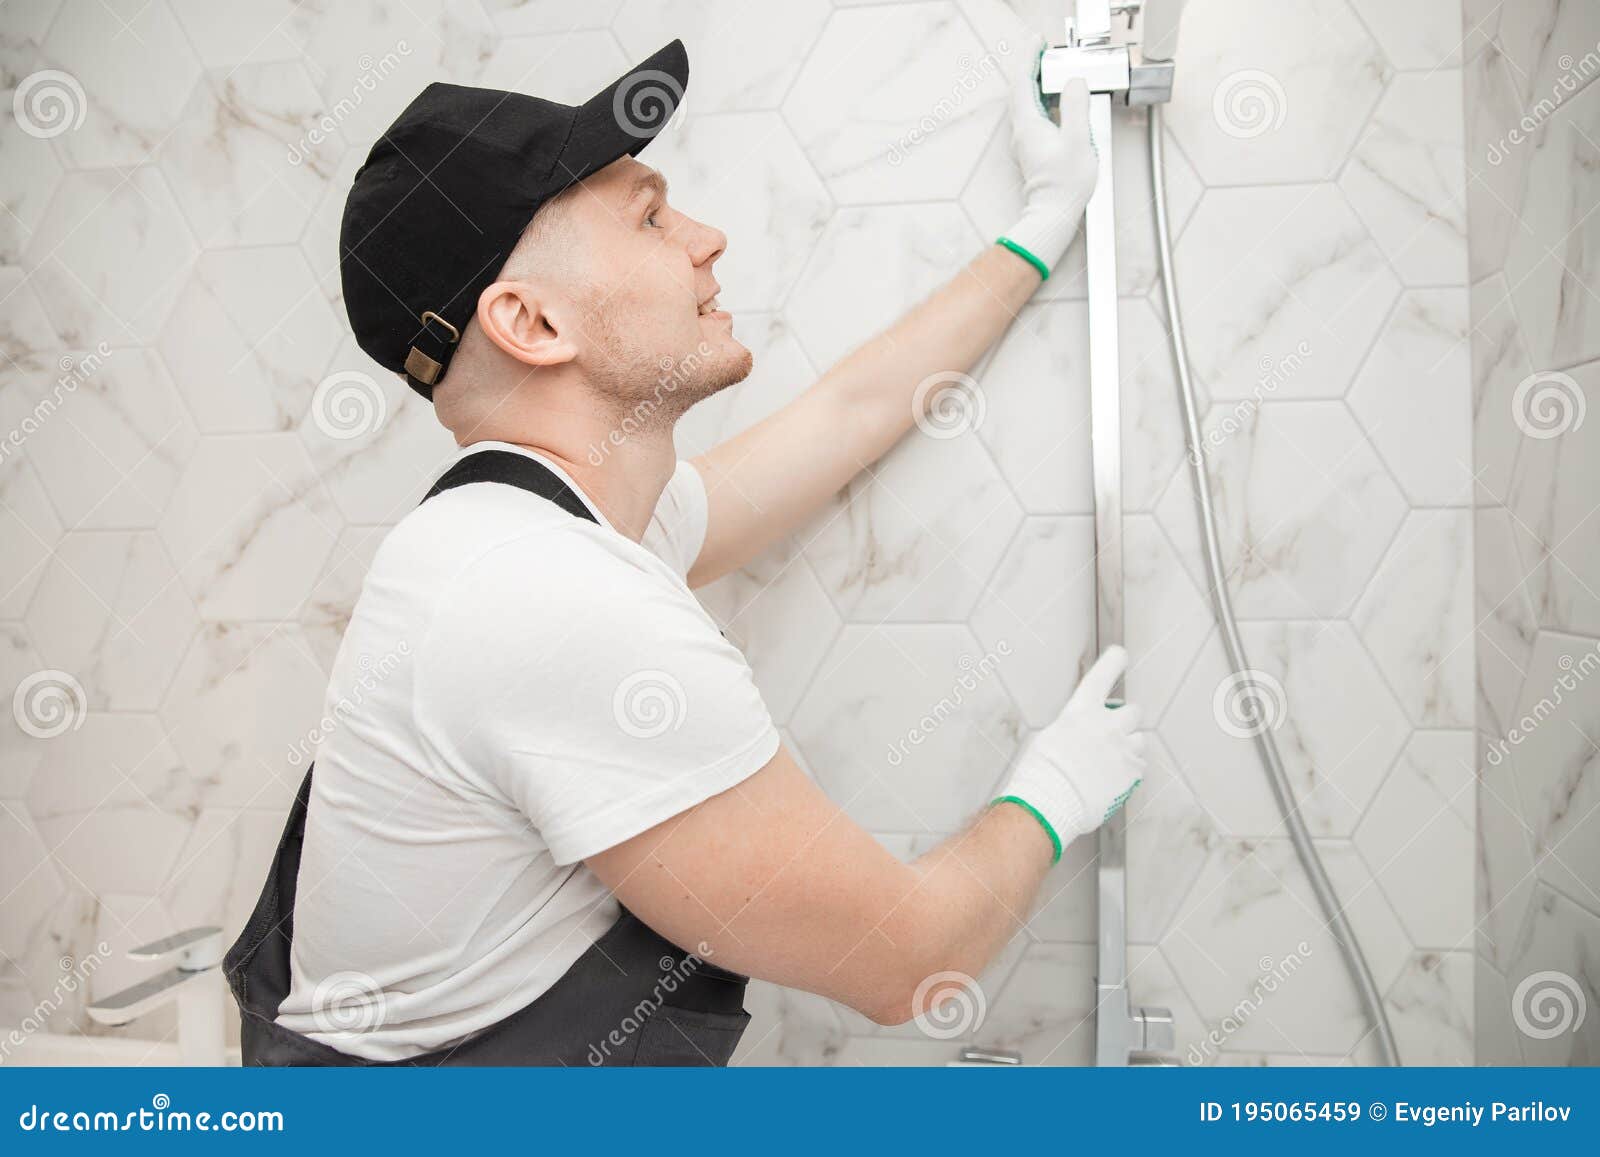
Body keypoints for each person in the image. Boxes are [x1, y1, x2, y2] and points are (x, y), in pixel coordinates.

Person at [223, 8, 1143, 1067]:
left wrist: (1042, 218)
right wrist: (1053, 792)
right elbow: (905, 960)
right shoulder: (544, 597)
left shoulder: (521, 522)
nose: (708, 237)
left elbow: (851, 411)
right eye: (650, 219)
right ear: (531, 324)